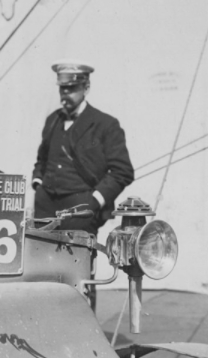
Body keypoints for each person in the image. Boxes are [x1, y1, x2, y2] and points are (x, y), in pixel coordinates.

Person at [31, 62, 134, 233]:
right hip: (45, 210)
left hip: (80, 212)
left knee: (76, 258)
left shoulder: (105, 124)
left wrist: (95, 200)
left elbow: (122, 171)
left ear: (86, 88)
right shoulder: (52, 120)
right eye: (62, 88)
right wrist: (38, 184)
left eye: (71, 88)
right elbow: (42, 160)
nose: (65, 93)